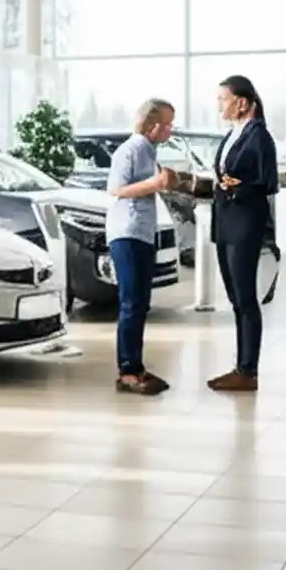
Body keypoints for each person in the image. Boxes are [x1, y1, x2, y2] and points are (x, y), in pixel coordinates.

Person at [208, 75, 278, 392]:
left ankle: (248, 370)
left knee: (246, 299)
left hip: (245, 223)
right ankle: (241, 367)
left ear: (242, 102)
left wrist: (240, 187)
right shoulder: (233, 134)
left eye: (223, 99)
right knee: (236, 299)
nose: (219, 105)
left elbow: (268, 183)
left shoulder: (259, 136)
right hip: (225, 223)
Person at [105, 98, 178, 395]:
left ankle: (136, 365)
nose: (171, 130)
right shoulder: (131, 149)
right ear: (152, 125)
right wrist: (156, 184)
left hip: (142, 233)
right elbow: (116, 189)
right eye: (168, 124)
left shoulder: (149, 152)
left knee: (140, 304)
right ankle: (127, 371)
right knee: (131, 304)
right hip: (128, 232)